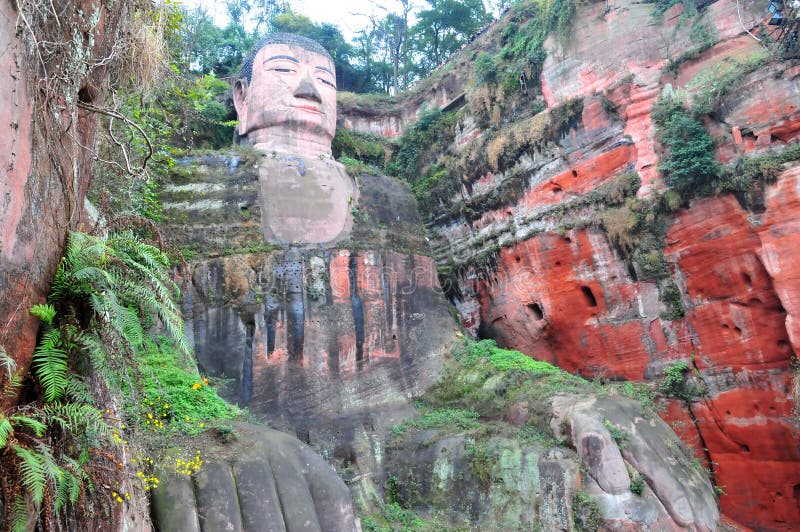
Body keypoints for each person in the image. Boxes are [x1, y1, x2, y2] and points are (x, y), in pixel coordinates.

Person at [234, 33, 338, 158]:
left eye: (325, 80)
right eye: (284, 69)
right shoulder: (220, 173)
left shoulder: (355, 177)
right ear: (242, 96)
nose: (310, 91)